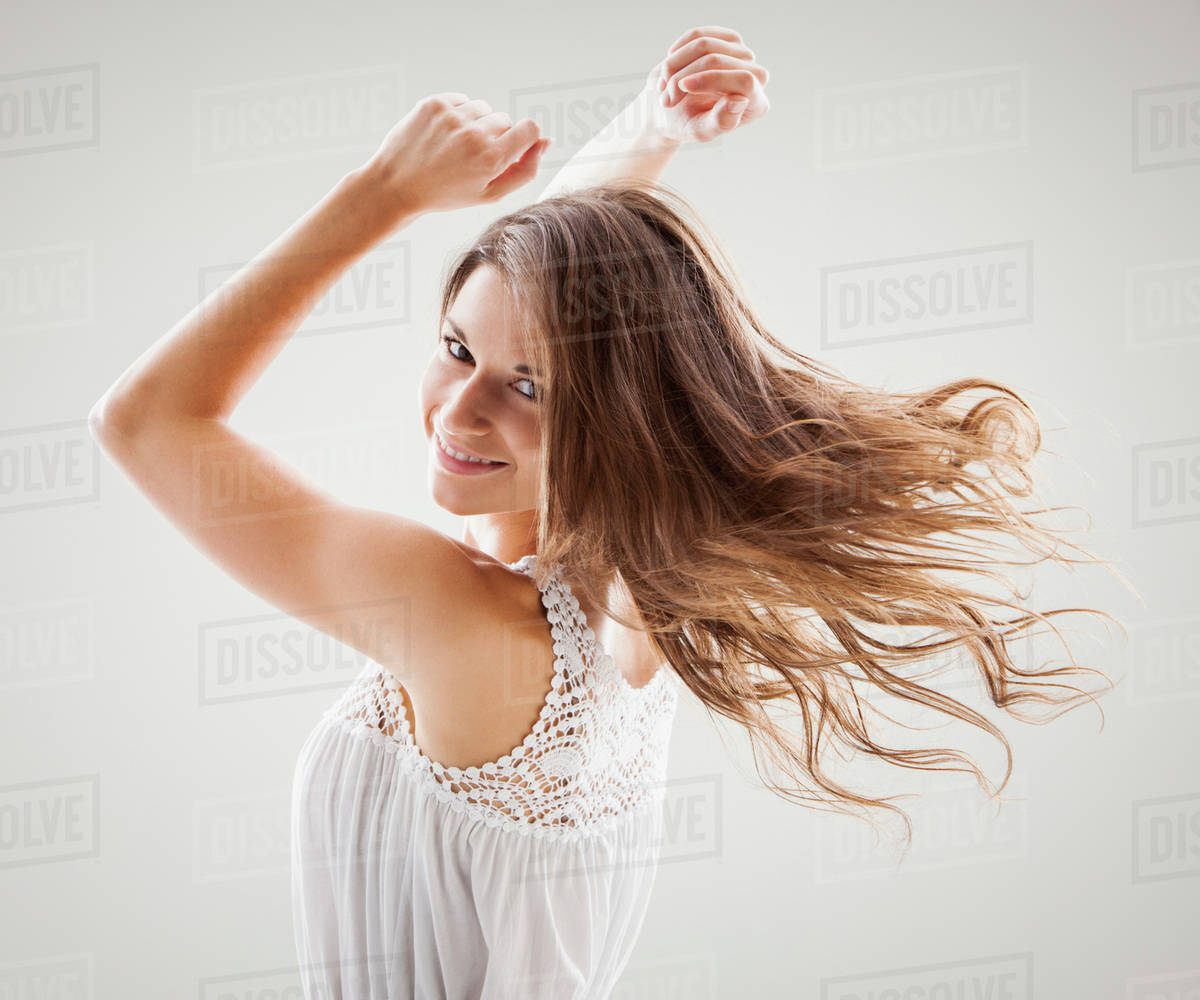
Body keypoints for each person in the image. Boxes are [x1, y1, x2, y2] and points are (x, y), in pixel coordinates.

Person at [88, 22, 1124, 1000]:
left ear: (614, 418)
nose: (459, 408)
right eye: (455, 349)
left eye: (523, 390)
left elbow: (144, 420)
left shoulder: (464, 618)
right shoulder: (641, 582)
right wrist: (652, 128)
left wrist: (383, 194)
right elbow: (567, 311)